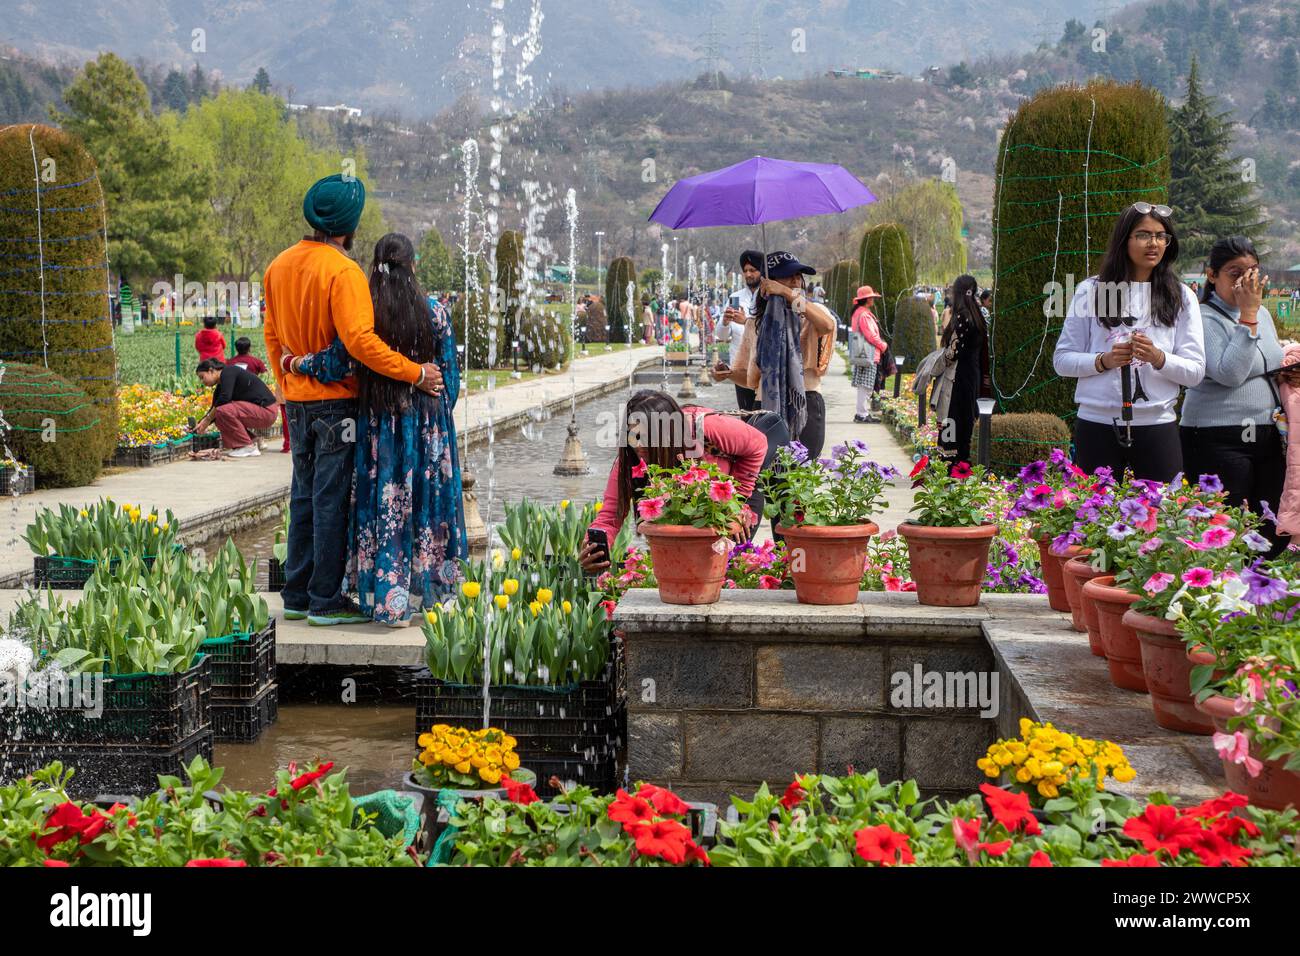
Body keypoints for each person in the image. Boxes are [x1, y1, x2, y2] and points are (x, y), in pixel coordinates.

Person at [264, 173, 443, 627]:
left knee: (302, 497)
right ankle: (325, 601)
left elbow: (272, 336)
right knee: (330, 500)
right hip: (336, 404)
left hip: (298, 403)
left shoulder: (278, 265)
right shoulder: (342, 270)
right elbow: (360, 343)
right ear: (349, 224)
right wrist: (415, 372)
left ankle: (297, 594)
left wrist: (287, 382)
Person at [281, 233, 468, 626]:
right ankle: (434, 595)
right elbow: (450, 379)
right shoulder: (435, 312)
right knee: (425, 507)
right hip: (428, 428)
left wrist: (296, 364)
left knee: (385, 509)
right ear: (413, 266)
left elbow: (337, 364)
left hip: (379, 425)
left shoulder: (366, 314)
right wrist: (433, 418)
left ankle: (387, 600)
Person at [1053, 202, 1205, 481]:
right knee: (1092, 517)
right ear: (1124, 240)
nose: (1154, 243)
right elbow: (1062, 360)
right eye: (1144, 235)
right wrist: (1103, 361)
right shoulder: (1092, 290)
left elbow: (1195, 372)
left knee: (1163, 517)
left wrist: (1159, 358)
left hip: (1157, 425)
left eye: (1161, 236)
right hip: (1097, 424)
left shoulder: (1182, 296)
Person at [577, 390, 787, 574]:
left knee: (728, 562)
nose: (639, 445)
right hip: (697, 511)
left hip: (738, 491)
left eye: (647, 437)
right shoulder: (630, 461)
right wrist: (595, 546)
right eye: (634, 436)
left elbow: (758, 443)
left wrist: (738, 504)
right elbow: (610, 514)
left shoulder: (703, 427)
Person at [1181, 237, 1288, 556]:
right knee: (1224, 528)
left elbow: (1267, 360)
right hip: (1217, 437)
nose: (1245, 280)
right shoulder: (1202, 318)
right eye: (1235, 272)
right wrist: (1248, 316)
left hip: (1267, 433)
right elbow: (1229, 372)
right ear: (1211, 276)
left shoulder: (1262, 317)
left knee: (1269, 527)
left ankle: (1263, 598)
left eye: (1252, 271)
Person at [715, 250, 835, 457]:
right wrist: (727, 374)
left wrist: (787, 293)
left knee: (802, 475)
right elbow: (750, 378)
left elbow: (827, 326)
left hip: (805, 403)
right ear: (770, 282)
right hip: (765, 407)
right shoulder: (756, 323)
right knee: (768, 478)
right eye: (789, 276)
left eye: (799, 276)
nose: (796, 281)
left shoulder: (810, 315)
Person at [936, 275, 991, 467]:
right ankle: (965, 458)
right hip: (973, 373)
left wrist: (939, 360)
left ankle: (949, 459)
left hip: (958, 376)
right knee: (968, 416)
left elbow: (953, 351)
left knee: (951, 416)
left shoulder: (961, 316)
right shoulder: (978, 314)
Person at [193, 358, 279, 457]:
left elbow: (225, 399)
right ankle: (253, 440)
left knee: (222, 410)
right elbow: (214, 408)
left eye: (202, 377)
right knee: (219, 416)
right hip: (261, 412)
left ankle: (247, 447)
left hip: (267, 411)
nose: (202, 381)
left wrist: (207, 420)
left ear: (211, 370)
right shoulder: (221, 384)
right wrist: (201, 424)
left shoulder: (228, 372)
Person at [714, 250, 762, 410]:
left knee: (763, 416)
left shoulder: (769, 297)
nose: (748, 274)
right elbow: (721, 335)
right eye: (746, 271)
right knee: (746, 415)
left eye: (753, 270)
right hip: (741, 368)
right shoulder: (736, 297)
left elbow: (767, 329)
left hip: (762, 368)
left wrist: (745, 321)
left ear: (762, 271)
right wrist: (725, 322)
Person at [849, 285, 888, 423]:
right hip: (868, 353)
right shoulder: (864, 315)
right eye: (871, 297)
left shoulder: (859, 312)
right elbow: (870, 336)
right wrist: (883, 345)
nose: (873, 299)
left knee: (864, 385)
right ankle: (862, 413)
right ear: (866, 299)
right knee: (866, 385)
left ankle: (862, 412)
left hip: (864, 352)